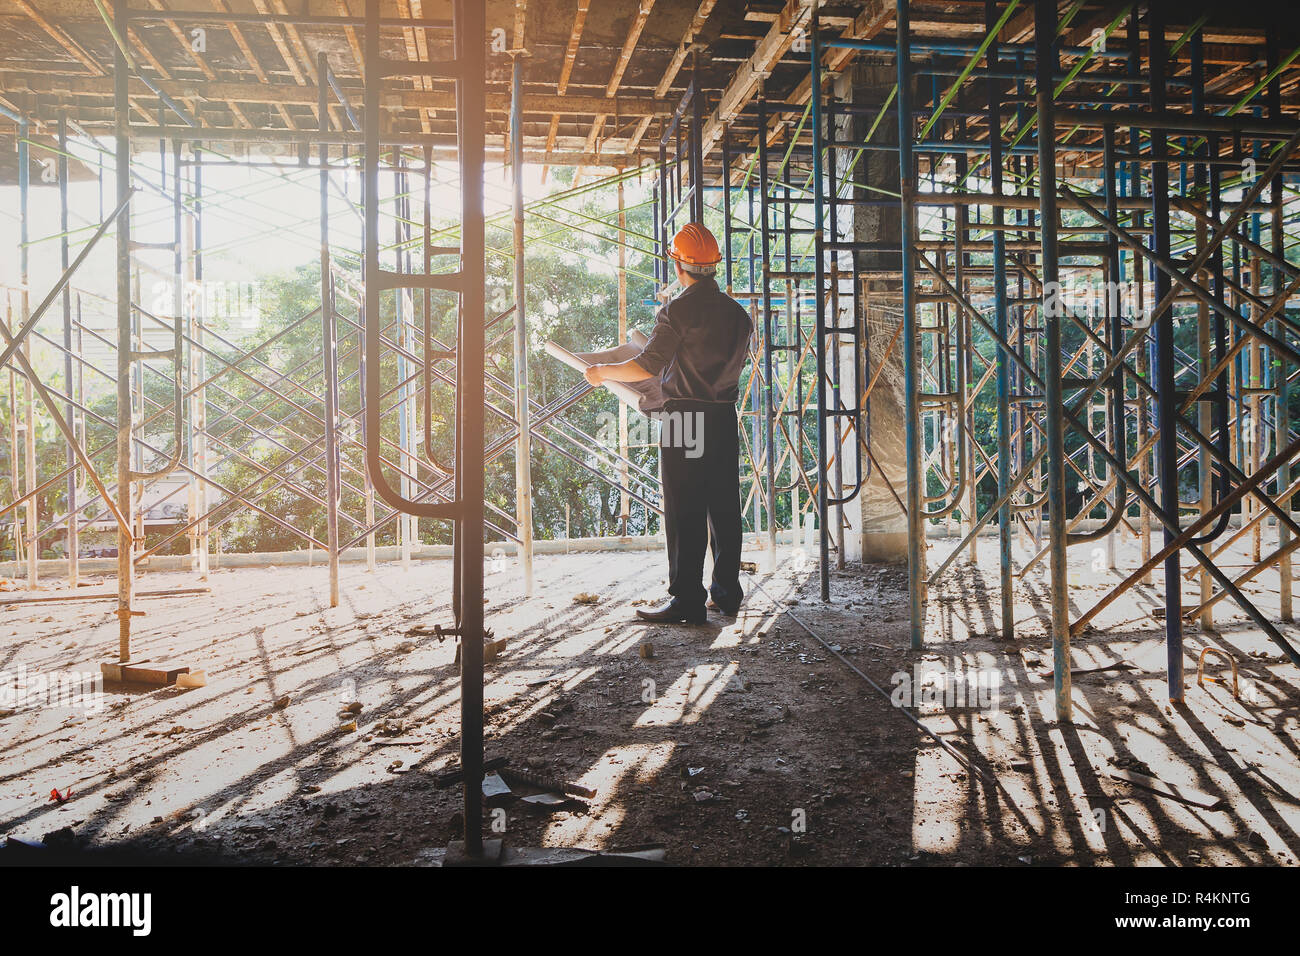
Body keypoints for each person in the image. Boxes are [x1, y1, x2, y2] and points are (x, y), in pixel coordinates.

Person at [584, 222, 753, 624]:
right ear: (713, 266)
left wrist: (602, 372)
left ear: (679, 266)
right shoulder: (738, 315)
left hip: (684, 418)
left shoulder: (677, 310)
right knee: (724, 507)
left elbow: (647, 364)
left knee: (684, 509)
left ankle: (688, 601)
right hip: (722, 417)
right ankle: (727, 594)